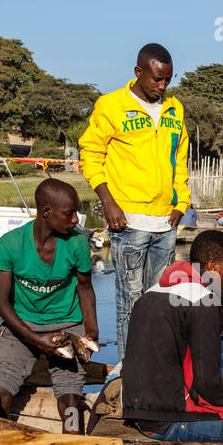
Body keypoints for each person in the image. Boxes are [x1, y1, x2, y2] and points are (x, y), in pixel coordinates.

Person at [79, 42, 190, 359]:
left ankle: (158, 366)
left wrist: (181, 202)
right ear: (139, 73)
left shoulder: (175, 108)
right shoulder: (111, 106)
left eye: (168, 79)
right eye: (156, 79)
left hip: (166, 223)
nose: (162, 86)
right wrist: (108, 202)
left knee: (161, 300)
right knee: (131, 301)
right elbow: (90, 154)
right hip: (128, 222)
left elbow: (179, 159)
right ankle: (130, 373)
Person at [122, 230, 223, 444]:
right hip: (168, 421)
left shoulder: (156, 289)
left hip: (138, 411)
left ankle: (217, 410)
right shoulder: (201, 300)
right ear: (212, 267)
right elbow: (206, 379)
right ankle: (221, 413)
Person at [0, 179, 97, 434]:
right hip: (22, 327)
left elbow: (85, 287)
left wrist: (90, 330)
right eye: (69, 213)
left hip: (67, 325)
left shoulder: (77, 244)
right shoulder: (11, 244)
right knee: (0, 391)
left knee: (70, 397)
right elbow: (1, 303)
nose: (75, 220)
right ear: (47, 212)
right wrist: (37, 340)